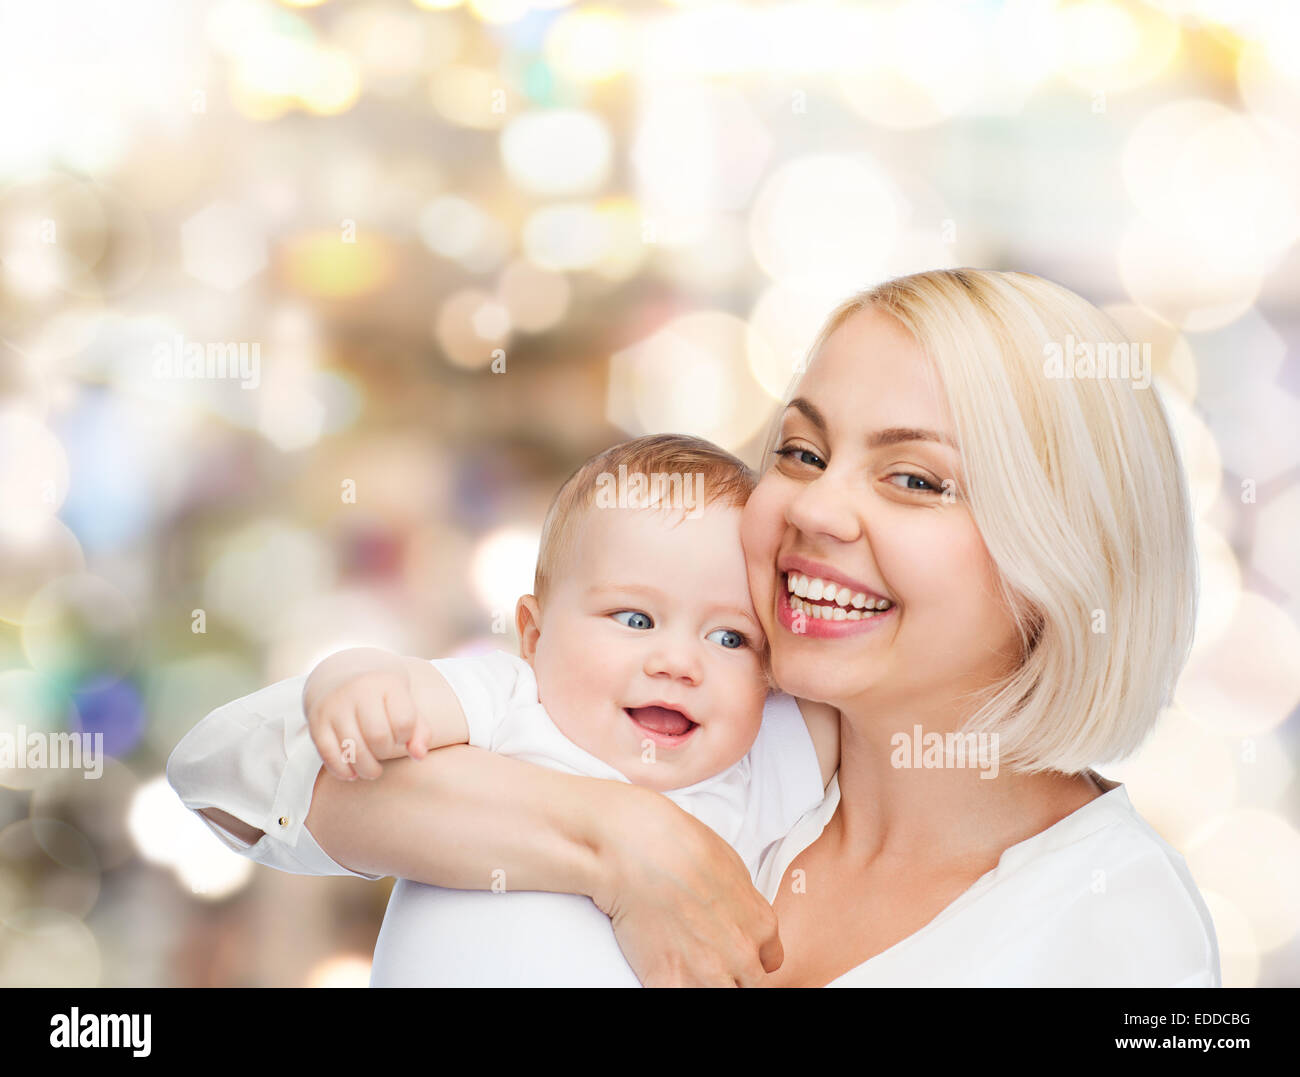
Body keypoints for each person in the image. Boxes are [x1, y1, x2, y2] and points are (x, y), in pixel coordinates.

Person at [171, 268, 1221, 987]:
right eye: (802, 453)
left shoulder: (1117, 928)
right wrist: (624, 841)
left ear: (1062, 558)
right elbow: (228, 775)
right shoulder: (709, 729)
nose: (814, 508)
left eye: (913, 479)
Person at [168, 434, 838, 986]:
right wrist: (348, 680)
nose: (678, 662)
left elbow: (865, 698)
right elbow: (256, 744)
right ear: (535, 635)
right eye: (635, 618)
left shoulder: (748, 773)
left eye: (730, 638)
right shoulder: (510, 701)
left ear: (769, 675)